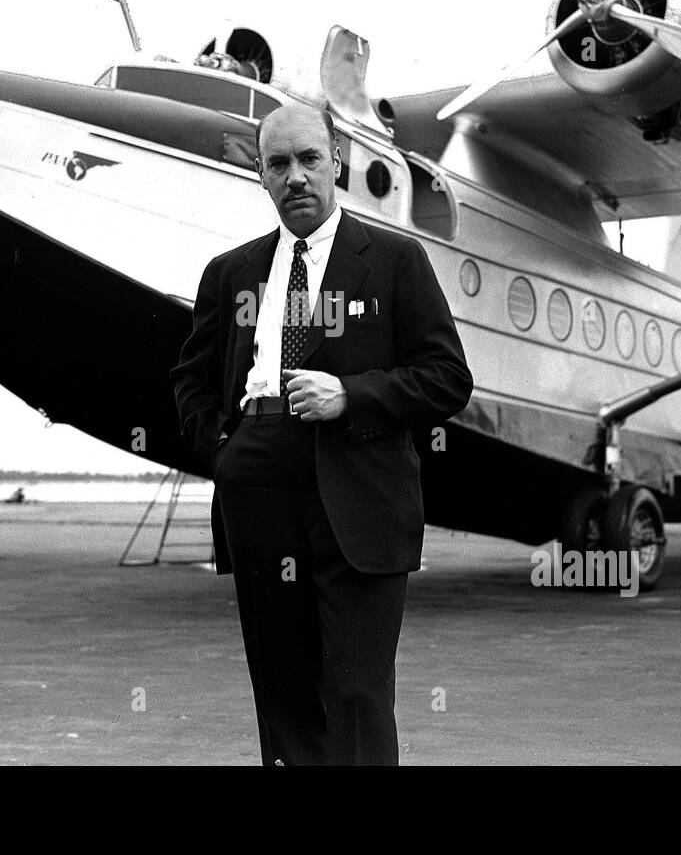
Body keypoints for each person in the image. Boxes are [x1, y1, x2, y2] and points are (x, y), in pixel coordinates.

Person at [170, 102, 472, 766]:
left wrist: (354, 395)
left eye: (309, 159)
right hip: (259, 486)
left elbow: (448, 378)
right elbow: (189, 381)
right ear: (261, 175)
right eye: (277, 163)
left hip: (358, 486)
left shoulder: (394, 260)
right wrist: (223, 452)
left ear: (336, 163)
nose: (295, 177)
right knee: (284, 692)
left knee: (358, 692)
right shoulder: (230, 274)